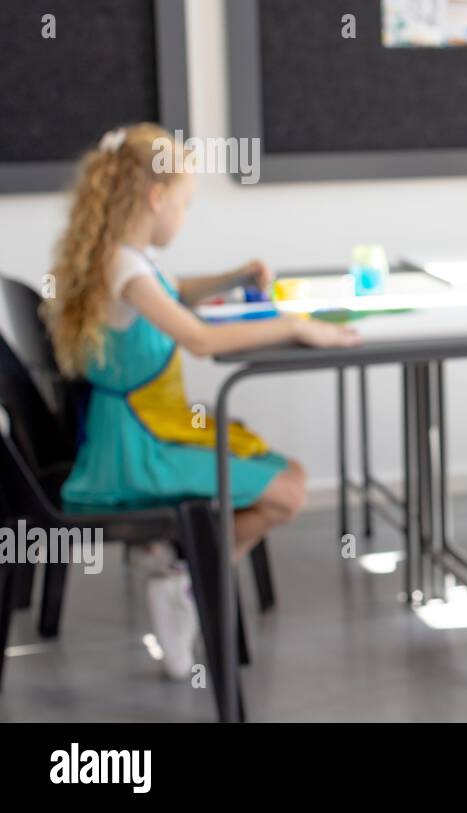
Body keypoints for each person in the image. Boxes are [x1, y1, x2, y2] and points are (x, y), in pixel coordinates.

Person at [43, 122, 358, 678]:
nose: (185, 217)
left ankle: (178, 565)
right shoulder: (125, 267)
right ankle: (185, 578)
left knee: (269, 472)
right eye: (185, 204)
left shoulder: (122, 259)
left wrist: (232, 276)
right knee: (287, 489)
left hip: (133, 432)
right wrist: (294, 325)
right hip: (135, 451)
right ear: (155, 196)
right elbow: (200, 338)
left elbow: (173, 293)